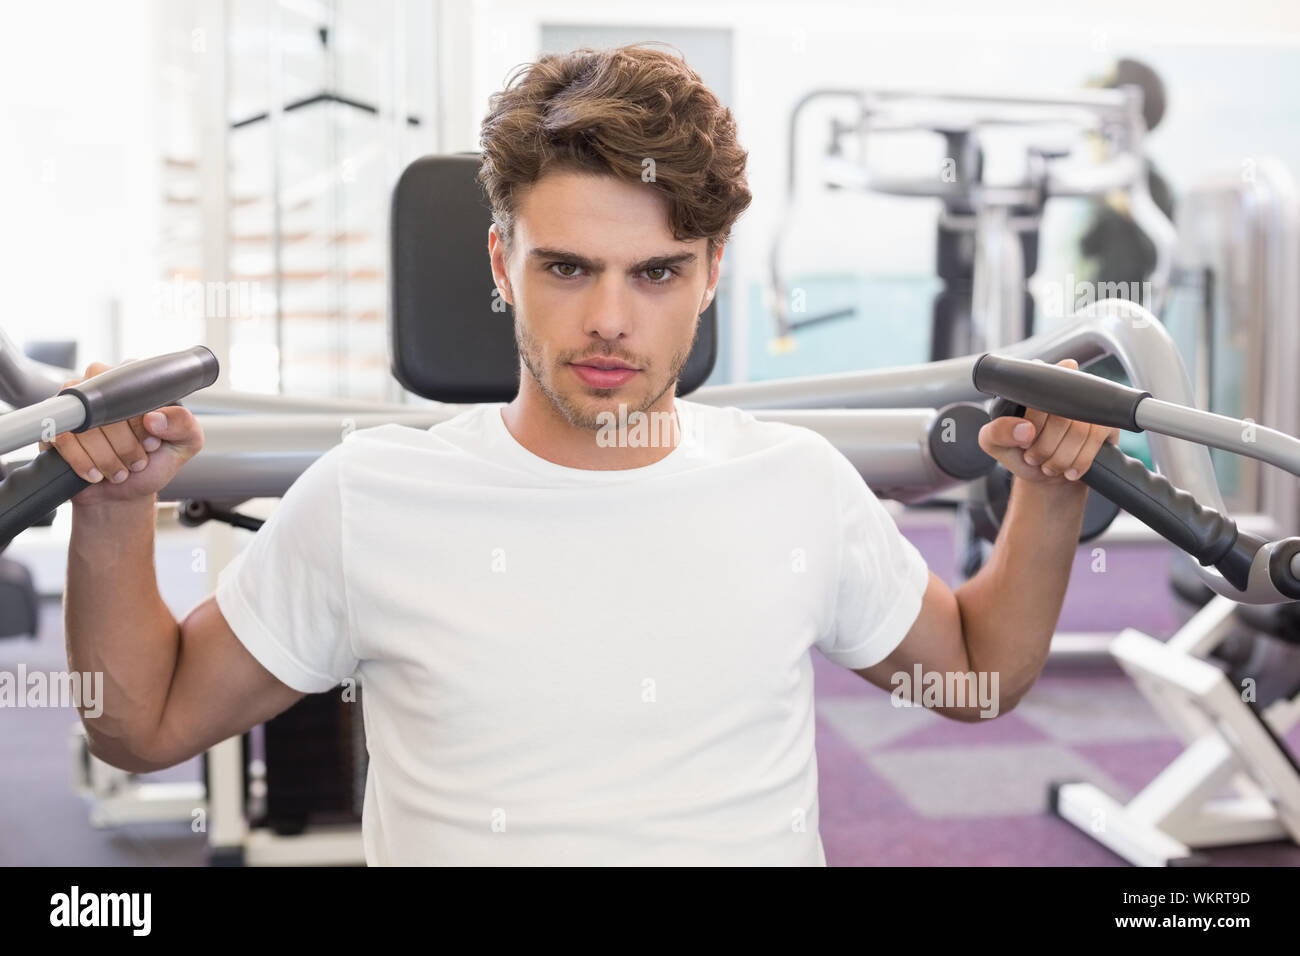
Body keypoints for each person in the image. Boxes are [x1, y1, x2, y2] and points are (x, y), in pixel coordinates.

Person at [57, 44, 1116, 866]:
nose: (609, 319)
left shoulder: (794, 483)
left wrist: (1049, 483)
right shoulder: (370, 494)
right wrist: (112, 503)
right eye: (567, 266)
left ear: (710, 273)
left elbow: (975, 675)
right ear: (500, 261)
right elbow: (143, 725)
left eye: (655, 273)